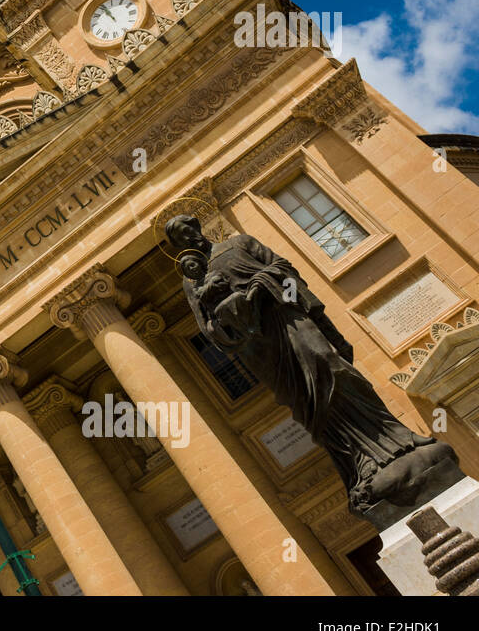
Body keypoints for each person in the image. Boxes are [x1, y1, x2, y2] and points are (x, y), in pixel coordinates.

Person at [165, 215, 458, 519]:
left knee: (332, 367)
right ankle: (362, 464)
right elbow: (210, 329)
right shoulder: (193, 282)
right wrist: (235, 317)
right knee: (308, 402)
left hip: (286, 316)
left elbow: (285, 269)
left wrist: (263, 286)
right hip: (262, 346)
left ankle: (400, 438)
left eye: (189, 231)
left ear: (198, 228)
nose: (190, 240)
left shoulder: (240, 243)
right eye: (182, 240)